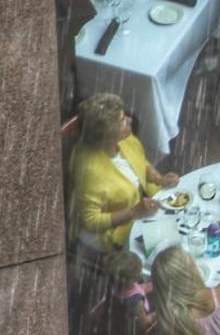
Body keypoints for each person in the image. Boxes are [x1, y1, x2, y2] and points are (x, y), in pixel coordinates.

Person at [69, 93, 179, 252]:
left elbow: (140, 163)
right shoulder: (90, 171)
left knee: (181, 224)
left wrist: (159, 179)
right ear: (107, 133)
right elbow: (90, 221)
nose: (129, 120)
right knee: (169, 248)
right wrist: (134, 212)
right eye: (122, 120)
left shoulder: (123, 140)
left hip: (140, 209)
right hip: (113, 230)